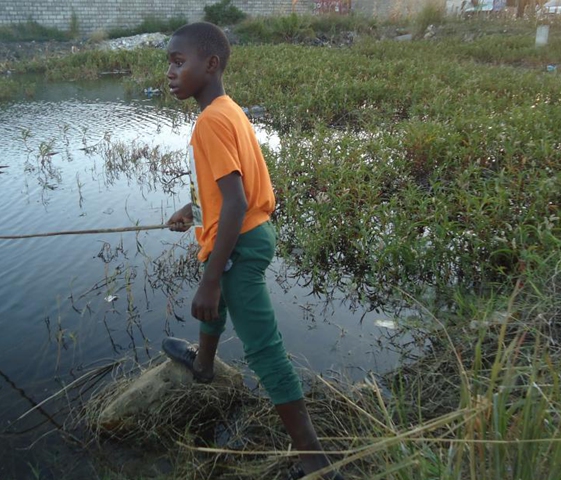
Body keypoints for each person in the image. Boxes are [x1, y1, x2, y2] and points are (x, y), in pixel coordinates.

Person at [161, 22, 344, 480]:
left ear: (211, 64)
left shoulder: (209, 122)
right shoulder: (229, 111)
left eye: (179, 62)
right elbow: (229, 190)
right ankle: (204, 365)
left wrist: (209, 279)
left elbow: (238, 201)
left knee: (264, 350)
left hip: (240, 239)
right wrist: (194, 209)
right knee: (216, 303)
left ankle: (314, 460)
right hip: (247, 234)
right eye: (169, 62)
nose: (170, 72)